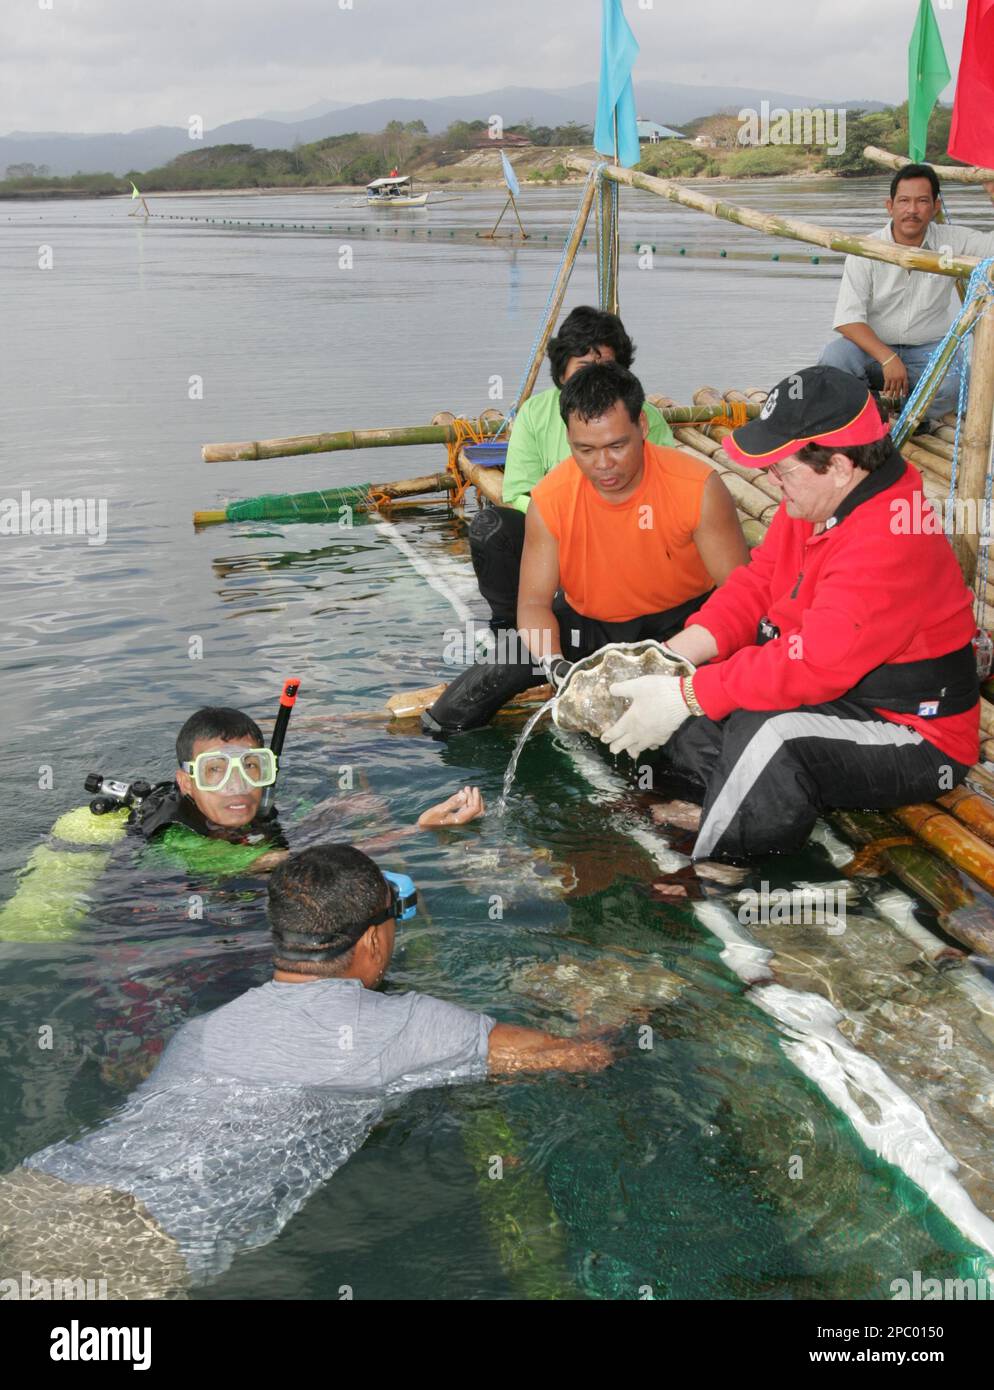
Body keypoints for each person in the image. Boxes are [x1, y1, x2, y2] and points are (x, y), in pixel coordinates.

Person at [0, 844, 612, 1298]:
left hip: (38, 1186)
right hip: (135, 1243)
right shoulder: (409, 1026)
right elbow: (581, 1057)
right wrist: (608, 1007)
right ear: (373, 940)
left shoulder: (202, 1033)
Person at [599, 365, 980, 863]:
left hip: (911, 732)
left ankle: (723, 874)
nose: (771, 478)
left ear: (840, 465)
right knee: (699, 699)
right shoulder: (817, 500)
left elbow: (814, 665)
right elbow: (760, 582)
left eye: (783, 467)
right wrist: (672, 657)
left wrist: (687, 694)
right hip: (842, 697)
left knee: (770, 734)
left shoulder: (890, 537)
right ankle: (727, 804)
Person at [423, 362, 747, 734]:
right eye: (586, 450)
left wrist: (683, 654)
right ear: (569, 439)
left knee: (698, 735)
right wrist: (555, 664)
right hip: (588, 628)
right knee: (455, 708)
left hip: (682, 623)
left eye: (617, 445)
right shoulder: (550, 498)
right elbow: (533, 604)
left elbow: (740, 592)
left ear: (642, 427)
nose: (603, 465)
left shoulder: (697, 487)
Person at [0, 704, 484, 941]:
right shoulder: (176, 839)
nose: (237, 787)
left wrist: (340, 814)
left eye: (252, 767)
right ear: (185, 783)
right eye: (215, 772)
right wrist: (417, 832)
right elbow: (290, 861)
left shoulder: (261, 807)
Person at [471, 305, 676, 635]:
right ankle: (511, 628)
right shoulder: (536, 414)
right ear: (562, 372)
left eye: (606, 367)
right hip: (556, 533)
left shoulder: (644, 415)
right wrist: (564, 520)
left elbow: (669, 489)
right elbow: (517, 493)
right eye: (583, 368)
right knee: (492, 528)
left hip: (628, 534)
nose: (595, 379)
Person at [819, 163, 994, 420]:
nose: (912, 210)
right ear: (890, 206)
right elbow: (848, 321)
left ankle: (909, 416)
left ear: (935, 208)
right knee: (834, 359)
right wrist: (888, 359)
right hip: (873, 350)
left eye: (922, 201)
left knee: (957, 384)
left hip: (929, 350)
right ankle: (869, 413)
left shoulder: (953, 241)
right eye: (904, 201)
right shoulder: (865, 249)